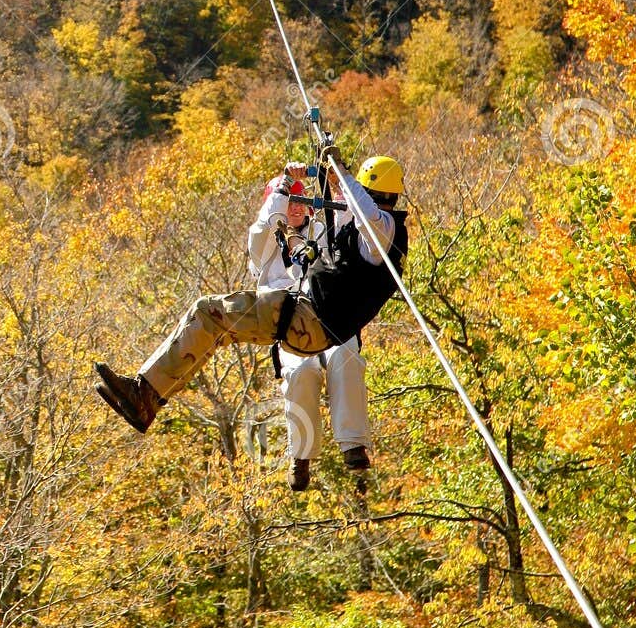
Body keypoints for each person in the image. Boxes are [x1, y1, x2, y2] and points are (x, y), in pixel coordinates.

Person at [95, 155, 407, 436]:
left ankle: (144, 393)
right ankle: (148, 398)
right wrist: (332, 180)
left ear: (369, 190)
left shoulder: (384, 231)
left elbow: (364, 212)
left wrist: (343, 174)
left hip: (309, 318)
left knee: (208, 312)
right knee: (214, 327)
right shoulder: (367, 237)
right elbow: (345, 214)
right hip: (309, 319)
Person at [249, 168, 375, 492]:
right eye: (287, 201)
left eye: (299, 200)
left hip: (328, 313)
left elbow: (349, 215)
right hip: (291, 324)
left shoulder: (322, 228)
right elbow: (263, 225)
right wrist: (283, 184)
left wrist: (332, 178)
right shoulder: (265, 247)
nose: (294, 207)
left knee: (345, 356)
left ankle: (353, 444)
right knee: (301, 372)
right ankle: (302, 455)